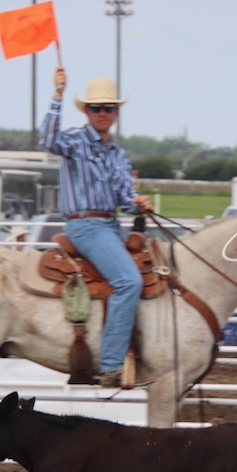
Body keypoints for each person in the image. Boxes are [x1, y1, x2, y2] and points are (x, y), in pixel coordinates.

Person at [41, 67, 155, 389]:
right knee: (128, 281)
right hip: (86, 227)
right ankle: (110, 366)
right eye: (96, 108)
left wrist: (139, 202)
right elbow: (47, 139)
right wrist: (57, 95)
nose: (103, 113)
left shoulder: (118, 153)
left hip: (109, 224)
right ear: (86, 111)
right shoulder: (74, 141)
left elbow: (122, 196)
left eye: (108, 108)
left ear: (117, 112)